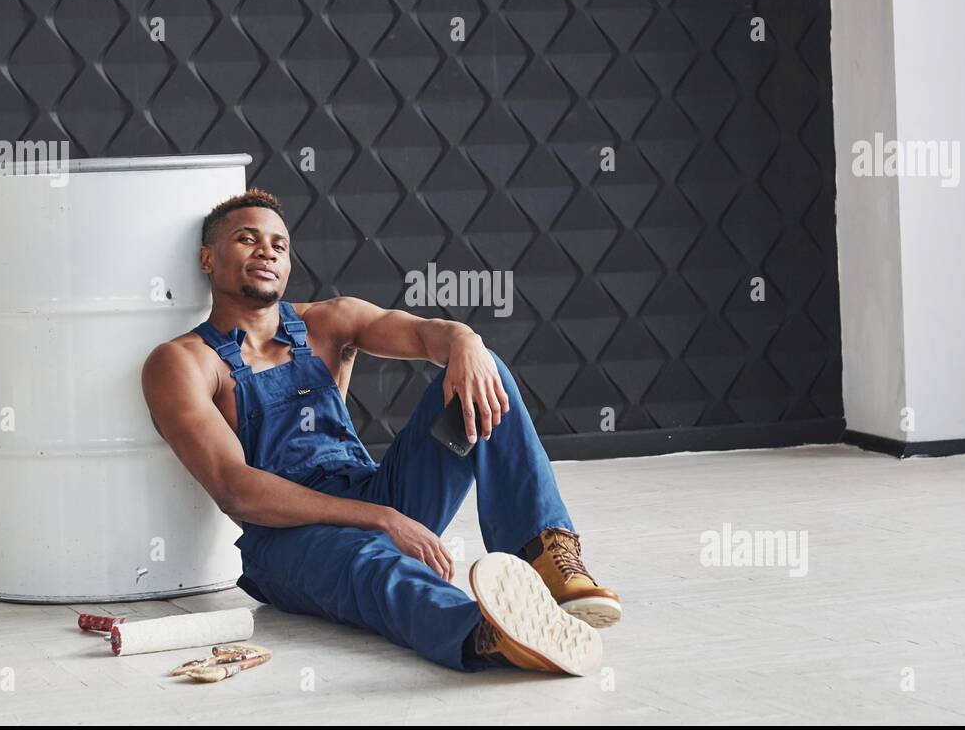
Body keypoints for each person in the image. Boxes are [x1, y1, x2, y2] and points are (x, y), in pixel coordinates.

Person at [141, 189, 621, 675]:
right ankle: (491, 633)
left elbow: (419, 333)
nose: (266, 251)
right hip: (288, 541)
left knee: (482, 373)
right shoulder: (182, 362)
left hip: (378, 493)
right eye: (247, 239)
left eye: (279, 245)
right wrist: (381, 520)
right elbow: (235, 489)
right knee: (371, 563)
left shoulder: (328, 322)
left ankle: (544, 555)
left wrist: (465, 341)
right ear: (208, 258)